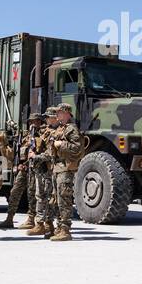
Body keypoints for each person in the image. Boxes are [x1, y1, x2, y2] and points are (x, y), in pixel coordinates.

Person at [0, 113, 44, 229]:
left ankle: (31, 218)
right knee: (14, 192)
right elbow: (17, 152)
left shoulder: (43, 134)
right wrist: (17, 164)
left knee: (32, 194)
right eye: (31, 122)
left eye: (36, 121)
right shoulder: (24, 136)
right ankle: (9, 218)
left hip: (35, 169)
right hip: (23, 168)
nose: (33, 124)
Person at [48, 102, 85, 242]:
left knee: (64, 199)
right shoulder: (60, 129)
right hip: (57, 168)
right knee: (57, 200)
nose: (57, 115)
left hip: (65, 168)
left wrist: (60, 144)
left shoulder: (71, 129)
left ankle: (65, 230)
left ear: (66, 113)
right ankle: (59, 228)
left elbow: (77, 148)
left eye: (59, 112)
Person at [27, 107, 59, 238]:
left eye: (48, 117)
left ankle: (42, 224)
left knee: (45, 197)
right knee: (41, 196)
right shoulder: (45, 131)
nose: (45, 120)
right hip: (41, 169)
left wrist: (36, 157)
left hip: (48, 169)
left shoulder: (55, 133)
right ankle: (47, 225)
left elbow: (50, 154)